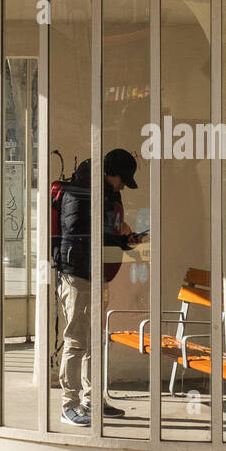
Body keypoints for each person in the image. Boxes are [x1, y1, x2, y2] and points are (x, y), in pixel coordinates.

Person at [53, 147, 144, 426]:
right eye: (122, 180)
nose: (122, 186)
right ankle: (69, 404)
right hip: (78, 275)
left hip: (97, 274)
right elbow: (79, 232)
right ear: (110, 174)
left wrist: (123, 236)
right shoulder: (80, 191)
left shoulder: (108, 194)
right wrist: (117, 240)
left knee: (95, 342)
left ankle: (93, 401)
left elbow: (107, 228)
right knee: (77, 340)